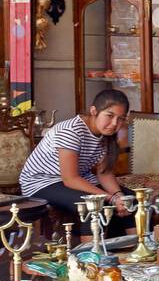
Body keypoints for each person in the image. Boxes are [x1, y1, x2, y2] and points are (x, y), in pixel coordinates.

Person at [20, 88, 132, 231]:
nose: (115, 123)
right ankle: (92, 253)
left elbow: (104, 173)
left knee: (130, 200)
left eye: (121, 118)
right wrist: (110, 198)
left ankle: (137, 249)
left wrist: (119, 196)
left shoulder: (106, 135)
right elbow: (70, 179)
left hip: (75, 179)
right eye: (109, 115)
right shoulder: (71, 131)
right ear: (94, 111)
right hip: (41, 182)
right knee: (91, 206)